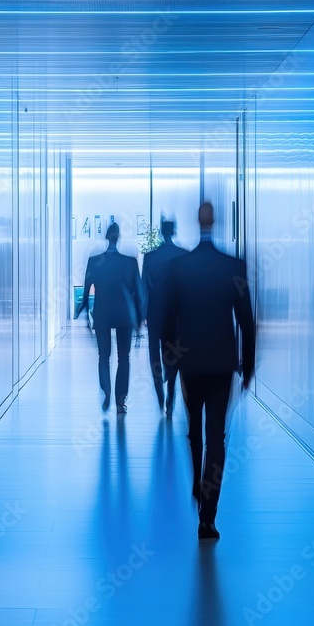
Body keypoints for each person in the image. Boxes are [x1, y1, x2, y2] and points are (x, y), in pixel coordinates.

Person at [165, 202, 255, 540]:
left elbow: (168, 318)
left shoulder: (180, 268)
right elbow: (246, 319)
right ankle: (208, 517)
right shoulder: (234, 266)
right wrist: (247, 365)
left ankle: (197, 482)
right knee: (216, 436)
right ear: (215, 221)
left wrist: (171, 360)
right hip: (221, 364)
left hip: (190, 363)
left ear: (196, 221)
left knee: (195, 430)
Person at [80, 222, 144, 413]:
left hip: (103, 314)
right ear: (119, 237)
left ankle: (107, 391)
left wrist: (85, 315)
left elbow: (86, 291)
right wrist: (139, 321)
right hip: (125, 315)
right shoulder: (130, 262)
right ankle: (120, 400)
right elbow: (139, 295)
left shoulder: (95, 261)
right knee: (124, 357)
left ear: (106, 238)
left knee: (104, 356)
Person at [142, 218, 188, 416]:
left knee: (154, 353)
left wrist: (141, 315)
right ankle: (170, 394)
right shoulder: (183, 256)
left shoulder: (150, 257)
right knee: (173, 354)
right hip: (177, 315)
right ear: (174, 231)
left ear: (161, 232)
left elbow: (144, 287)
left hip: (155, 314)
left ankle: (159, 390)